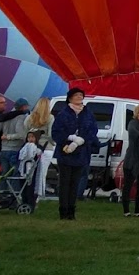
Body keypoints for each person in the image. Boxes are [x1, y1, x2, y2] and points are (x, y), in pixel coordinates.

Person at [50, 88, 99, 221]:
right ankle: (63, 211)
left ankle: (72, 211)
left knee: (75, 183)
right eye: (76, 95)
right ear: (70, 98)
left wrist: (81, 140)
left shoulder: (88, 113)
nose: (79, 97)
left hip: (81, 153)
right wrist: (70, 139)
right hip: (66, 152)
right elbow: (56, 132)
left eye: (80, 95)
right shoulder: (63, 114)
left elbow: (93, 130)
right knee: (65, 182)